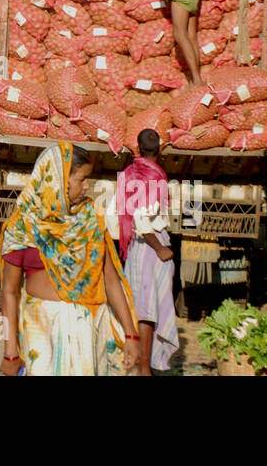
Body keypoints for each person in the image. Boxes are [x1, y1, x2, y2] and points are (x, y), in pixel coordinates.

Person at [0, 143, 141, 376]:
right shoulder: (23, 225)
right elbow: (9, 293)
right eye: (82, 179)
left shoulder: (91, 219)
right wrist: (10, 351)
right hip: (41, 332)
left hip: (87, 331)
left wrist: (131, 334)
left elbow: (110, 279)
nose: (87, 186)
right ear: (58, 180)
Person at [116, 130, 176, 374]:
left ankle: (142, 364)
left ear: (138, 150)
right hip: (149, 245)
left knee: (143, 308)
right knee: (147, 311)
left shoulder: (129, 173)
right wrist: (160, 247)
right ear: (160, 149)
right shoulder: (152, 177)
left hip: (137, 245)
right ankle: (144, 367)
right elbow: (142, 221)